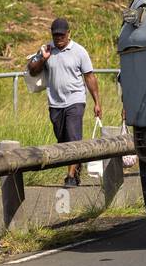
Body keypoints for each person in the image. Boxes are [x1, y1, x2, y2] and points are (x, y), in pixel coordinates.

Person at [27, 18, 102, 186]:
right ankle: (77, 165)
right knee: (62, 139)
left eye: (61, 35)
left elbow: (89, 77)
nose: (59, 38)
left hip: (75, 100)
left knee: (73, 136)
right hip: (55, 103)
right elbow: (32, 71)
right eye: (55, 35)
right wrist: (43, 58)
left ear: (69, 33)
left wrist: (97, 102)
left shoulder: (79, 51)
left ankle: (70, 176)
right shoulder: (46, 49)